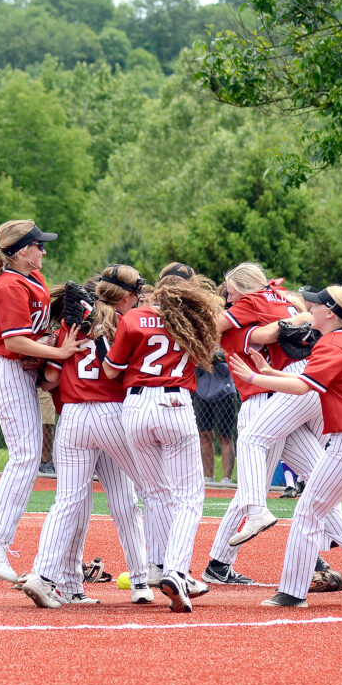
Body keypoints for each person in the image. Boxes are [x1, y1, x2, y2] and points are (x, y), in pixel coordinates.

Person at [228, 285, 342, 608]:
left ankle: (293, 593)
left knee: (307, 511)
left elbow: (303, 387)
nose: (309, 309)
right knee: (317, 507)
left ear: (330, 313)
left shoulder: (333, 343)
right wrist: (271, 372)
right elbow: (311, 382)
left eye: (315, 305)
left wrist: (255, 378)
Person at [20, 264, 151, 608]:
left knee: (67, 503)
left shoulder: (72, 323)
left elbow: (50, 378)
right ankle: (145, 579)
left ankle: (46, 577)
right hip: (113, 414)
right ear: (124, 296)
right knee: (132, 499)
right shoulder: (124, 323)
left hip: (73, 416)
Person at [0, 220, 87, 584]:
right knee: (25, 457)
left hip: (21, 372)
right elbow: (15, 342)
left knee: (27, 456)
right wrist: (60, 351)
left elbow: (24, 334)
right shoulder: (8, 284)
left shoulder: (32, 278)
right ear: (22, 251)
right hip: (8, 370)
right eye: (39, 245)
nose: (44, 250)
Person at [204, 264, 337, 586]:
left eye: (232, 292)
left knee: (321, 473)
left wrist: (294, 318)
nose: (229, 299)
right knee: (254, 493)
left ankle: (337, 550)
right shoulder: (248, 319)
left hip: (279, 400)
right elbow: (264, 333)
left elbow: (278, 323)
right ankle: (219, 563)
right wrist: (296, 318)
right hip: (261, 401)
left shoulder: (261, 303)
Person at [102, 262, 223, 613]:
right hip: (175, 403)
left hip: (136, 405)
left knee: (155, 492)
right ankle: (176, 570)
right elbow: (206, 356)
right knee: (188, 496)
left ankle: (157, 565)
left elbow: (110, 369)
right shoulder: (194, 319)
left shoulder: (134, 316)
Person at [193, 349, 238, 484]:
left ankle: (227, 478)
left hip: (225, 392)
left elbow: (230, 354)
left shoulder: (226, 337)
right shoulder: (197, 338)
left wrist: (209, 357)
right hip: (201, 392)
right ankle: (208, 477)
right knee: (204, 435)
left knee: (225, 436)